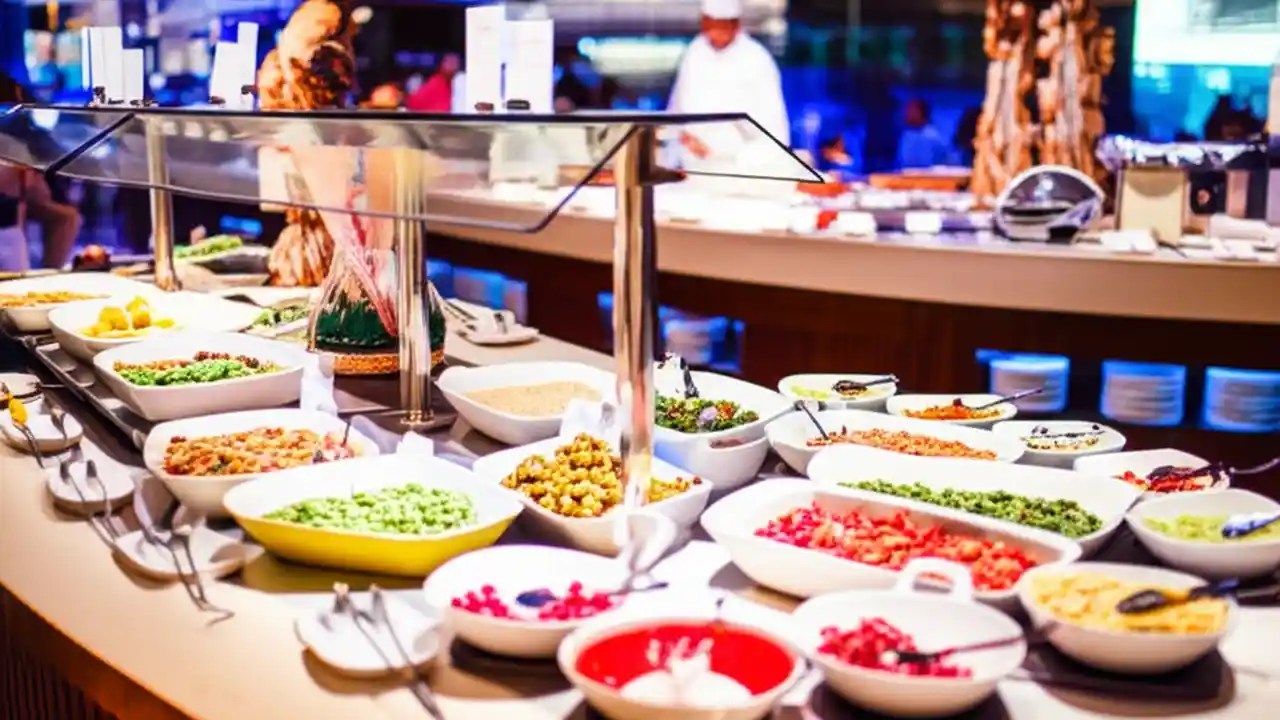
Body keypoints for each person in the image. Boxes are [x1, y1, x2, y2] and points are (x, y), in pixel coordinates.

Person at [667, 0, 790, 173]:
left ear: (735, 25)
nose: (714, 31)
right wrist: (682, 137)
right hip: (692, 166)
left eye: (721, 25)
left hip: (741, 169)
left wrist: (724, 153)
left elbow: (774, 130)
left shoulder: (756, 58)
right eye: (709, 23)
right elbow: (676, 111)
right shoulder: (694, 52)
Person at [0, 72, 81, 271]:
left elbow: (39, 185)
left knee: (66, 217)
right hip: (11, 208)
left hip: (14, 204)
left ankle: (50, 275)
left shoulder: (17, 126)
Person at [896, 98, 951, 169]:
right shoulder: (906, 135)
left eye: (912, 110)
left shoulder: (933, 137)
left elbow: (946, 163)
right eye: (907, 110)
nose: (907, 113)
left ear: (922, 112)